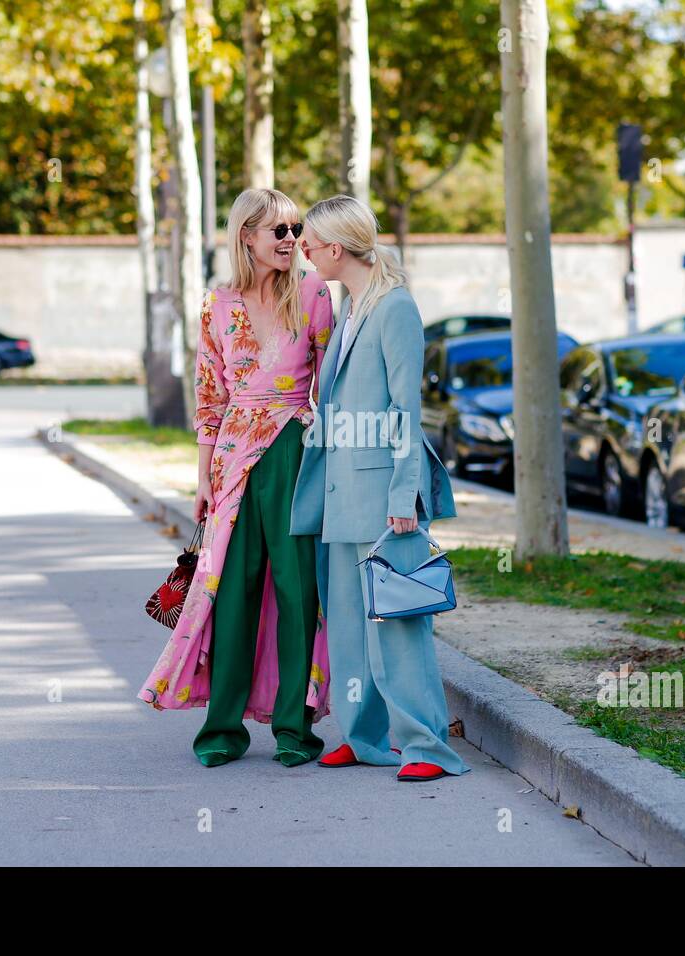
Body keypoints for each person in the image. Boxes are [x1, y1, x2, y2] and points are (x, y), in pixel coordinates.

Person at [139, 188, 334, 768]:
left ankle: (296, 729)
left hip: (295, 448)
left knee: (299, 591)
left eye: (296, 230)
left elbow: (332, 382)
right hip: (232, 459)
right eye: (278, 231)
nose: (291, 241)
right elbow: (209, 396)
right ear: (245, 235)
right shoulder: (216, 304)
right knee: (230, 589)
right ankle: (222, 728)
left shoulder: (315, 292)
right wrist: (202, 479)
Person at [290, 194, 467, 782]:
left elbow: (404, 412)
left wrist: (403, 498)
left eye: (310, 246)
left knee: (397, 625)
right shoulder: (349, 305)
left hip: (384, 503)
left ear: (336, 250)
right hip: (339, 499)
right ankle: (364, 737)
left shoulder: (394, 309)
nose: (304, 254)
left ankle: (426, 748)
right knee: (345, 627)